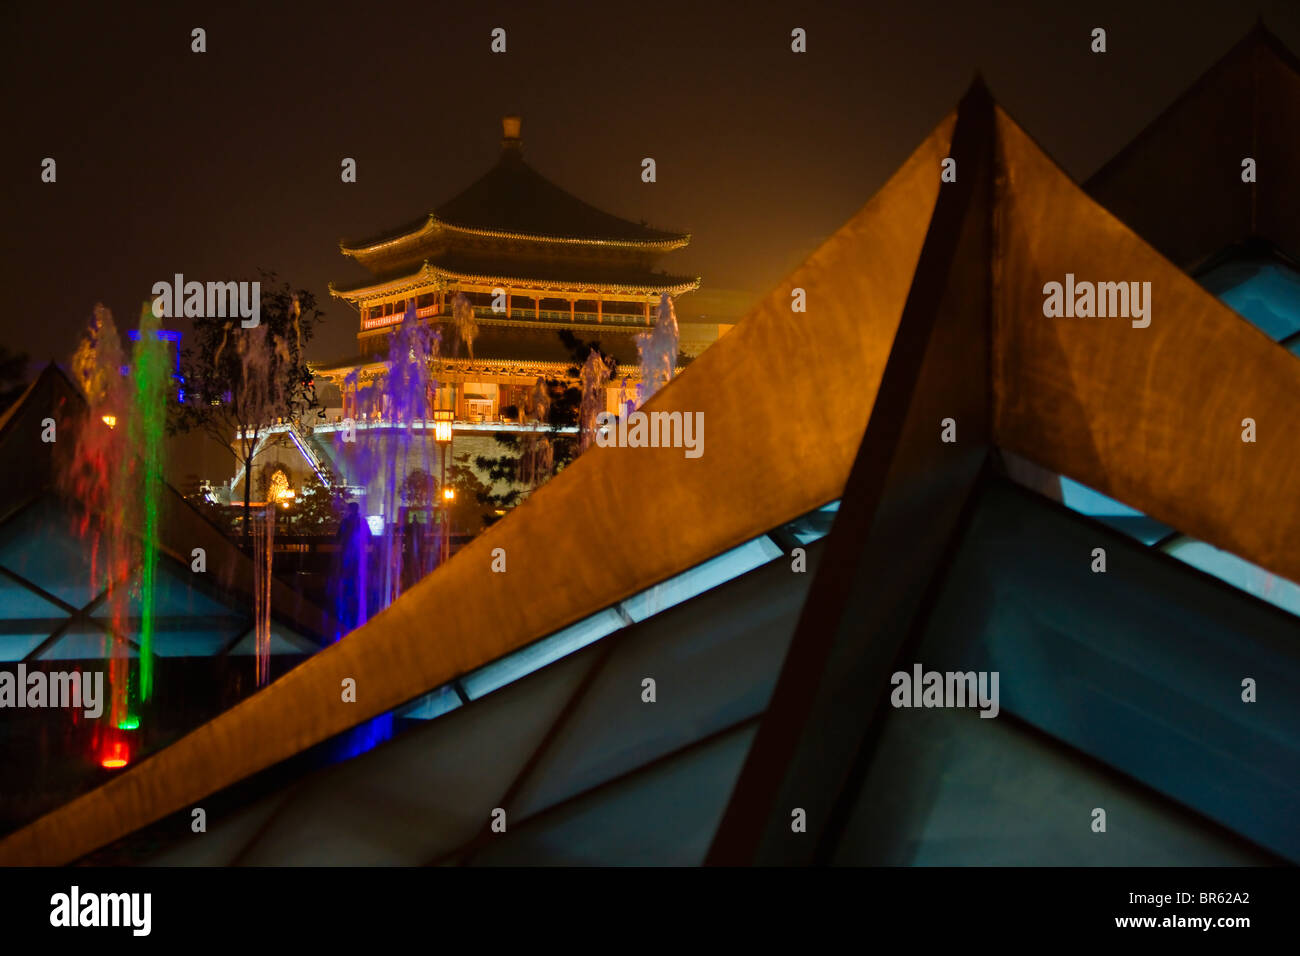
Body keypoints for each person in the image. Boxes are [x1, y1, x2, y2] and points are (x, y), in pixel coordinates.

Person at [333, 501, 371, 634]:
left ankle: (346, 602)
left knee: (346, 578)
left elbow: (338, 538)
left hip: (347, 555)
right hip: (358, 555)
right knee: (357, 579)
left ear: (350, 510)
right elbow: (369, 538)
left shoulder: (345, 522)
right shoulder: (362, 522)